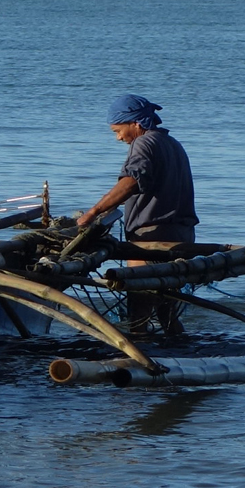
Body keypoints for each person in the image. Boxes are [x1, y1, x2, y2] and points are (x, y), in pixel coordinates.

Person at [78, 94, 198, 334]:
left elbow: (131, 182)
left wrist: (93, 213)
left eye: (118, 130)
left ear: (136, 123)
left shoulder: (143, 143)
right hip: (182, 233)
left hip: (152, 236)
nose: (118, 137)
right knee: (167, 308)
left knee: (139, 307)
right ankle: (176, 348)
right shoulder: (171, 143)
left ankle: (137, 358)